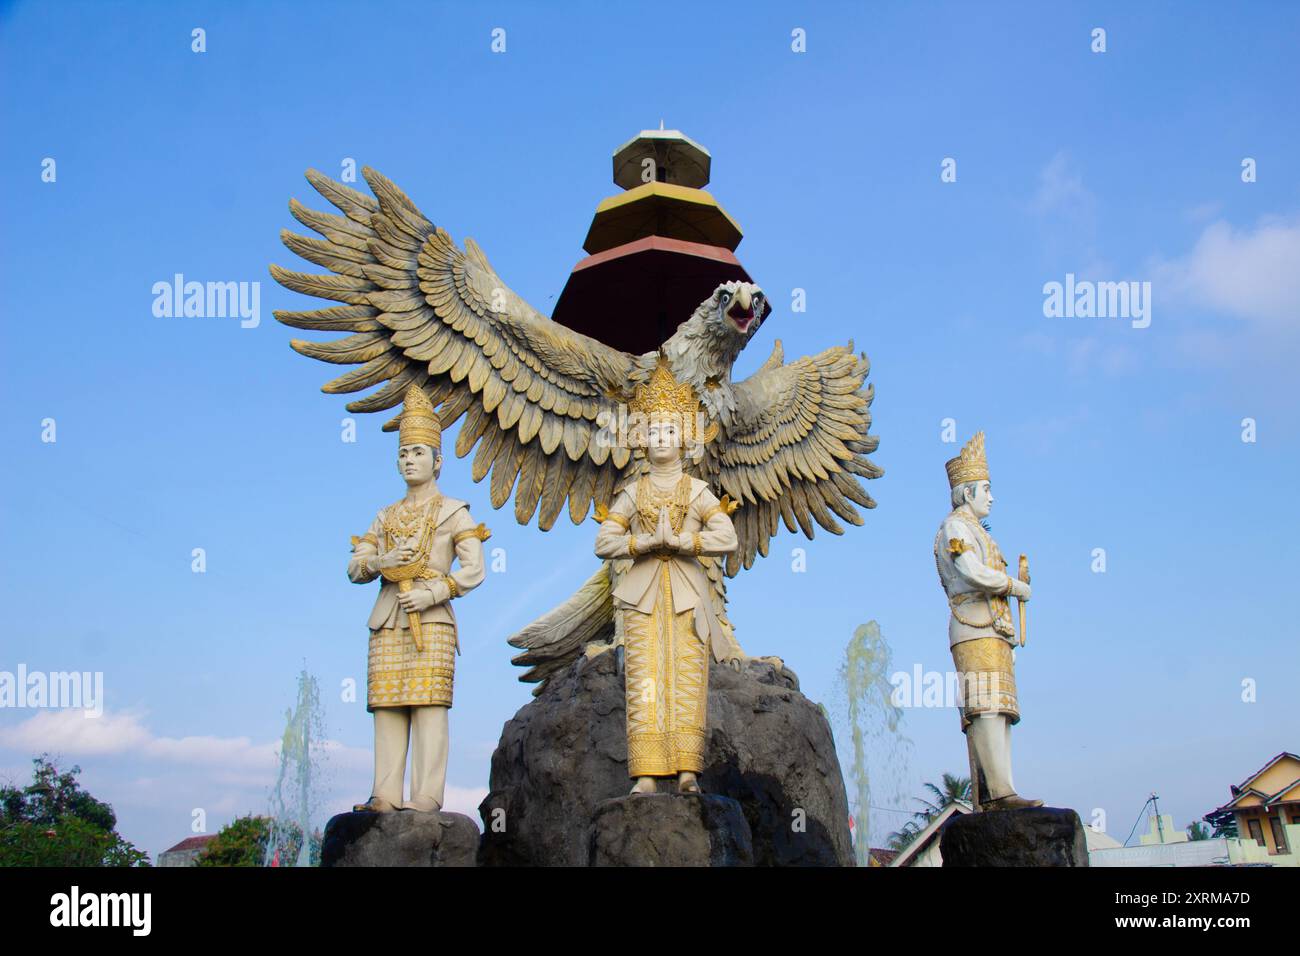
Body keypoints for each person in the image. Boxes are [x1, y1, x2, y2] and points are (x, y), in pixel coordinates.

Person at [594, 360, 738, 795]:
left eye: (669, 431)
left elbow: (726, 535)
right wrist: (641, 545)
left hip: (689, 595)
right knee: (645, 676)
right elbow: (604, 540)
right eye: (653, 430)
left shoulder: (696, 491)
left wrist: (681, 543)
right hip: (641, 595)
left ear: (684, 438)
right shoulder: (633, 493)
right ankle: (646, 771)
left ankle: (688, 770)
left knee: (687, 677)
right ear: (641, 437)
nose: (661, 438)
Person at [348, 384, 490, 812]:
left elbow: (474, 569)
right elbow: (355, 567)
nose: (410, 460)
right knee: (388, 705)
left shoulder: (453, 511)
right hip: (387, 615)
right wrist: (380, 560)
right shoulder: (384, 515)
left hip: (432, 619)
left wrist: (433, 592)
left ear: (438, 461)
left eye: (418, 453)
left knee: (429, 704)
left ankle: (427, 794)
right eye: (404, 454)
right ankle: (385, 793)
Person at [934, 431, 1041, 811]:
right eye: (985, 489)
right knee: (985, 709)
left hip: (992, 629)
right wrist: (1013, 585)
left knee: (1002, 709)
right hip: (971, 626)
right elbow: (970, 571)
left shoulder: (976, 530)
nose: (991, 497)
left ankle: (1003, 789)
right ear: (966, 492)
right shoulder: (955, 529)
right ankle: (997, 791)